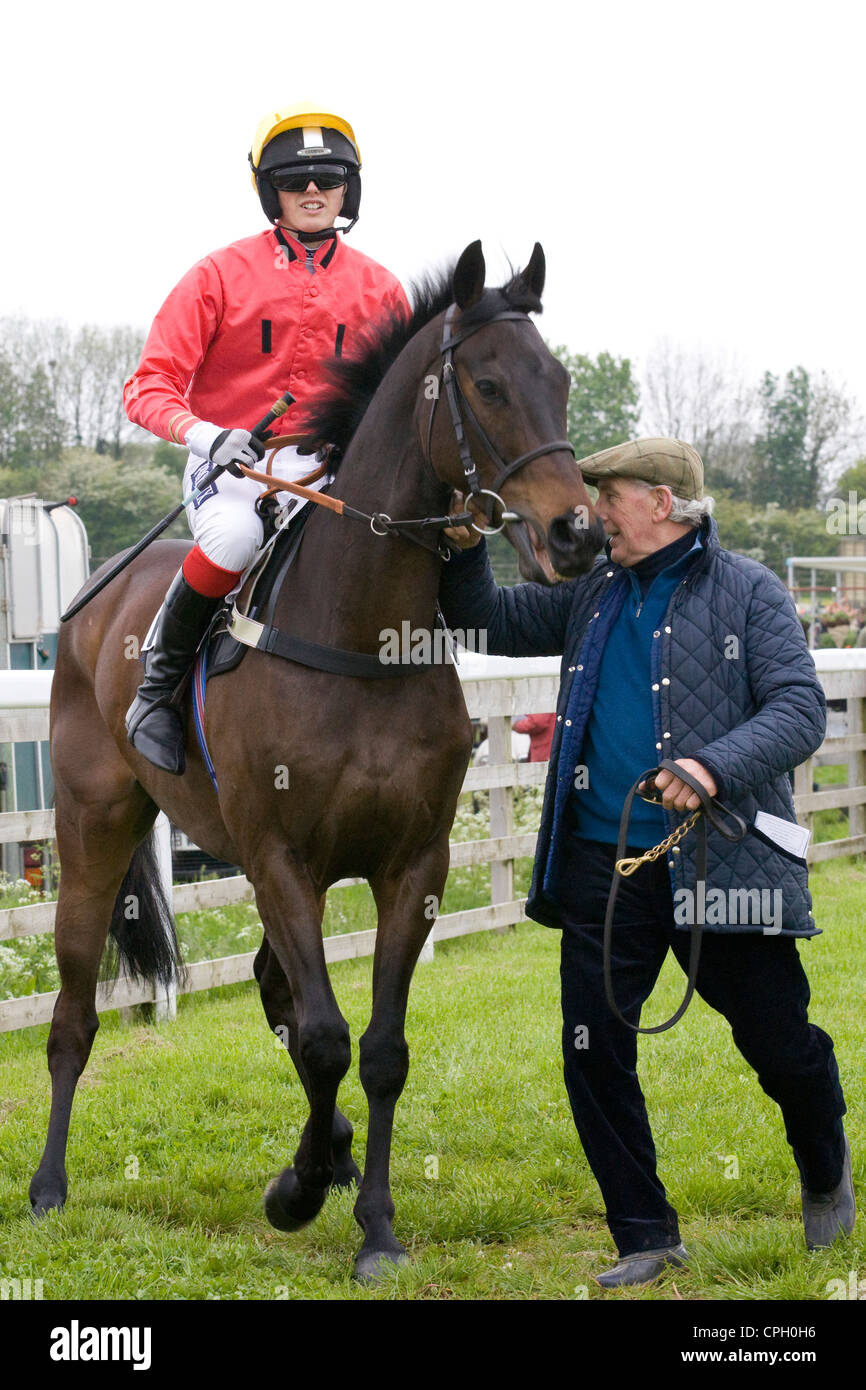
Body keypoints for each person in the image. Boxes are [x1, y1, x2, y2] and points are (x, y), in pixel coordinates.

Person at [440, 438, 854, 1288]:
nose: (593, 512)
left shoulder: (751, 591)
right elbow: (488, 622)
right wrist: (464, 547)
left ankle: (824, 1168)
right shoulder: (591, 590)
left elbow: (800, 708)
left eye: (610, 495)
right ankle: (645, 1234)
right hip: (602, 863)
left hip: (723, 861)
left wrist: (711, 767)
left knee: (780, 1043)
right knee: (592, 1049)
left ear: (662, 503)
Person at [123, 103, 409, 773]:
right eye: (294, 180)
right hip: (232, 470)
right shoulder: (216, 276)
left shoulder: (380, 287)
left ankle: (422, 679)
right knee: (235, 540)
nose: (313, 192)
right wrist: (206, 434)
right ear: (269, 189)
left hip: (334, 472)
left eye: (329, 179)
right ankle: (156, 692)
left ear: (349, 189)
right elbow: (148, 385)